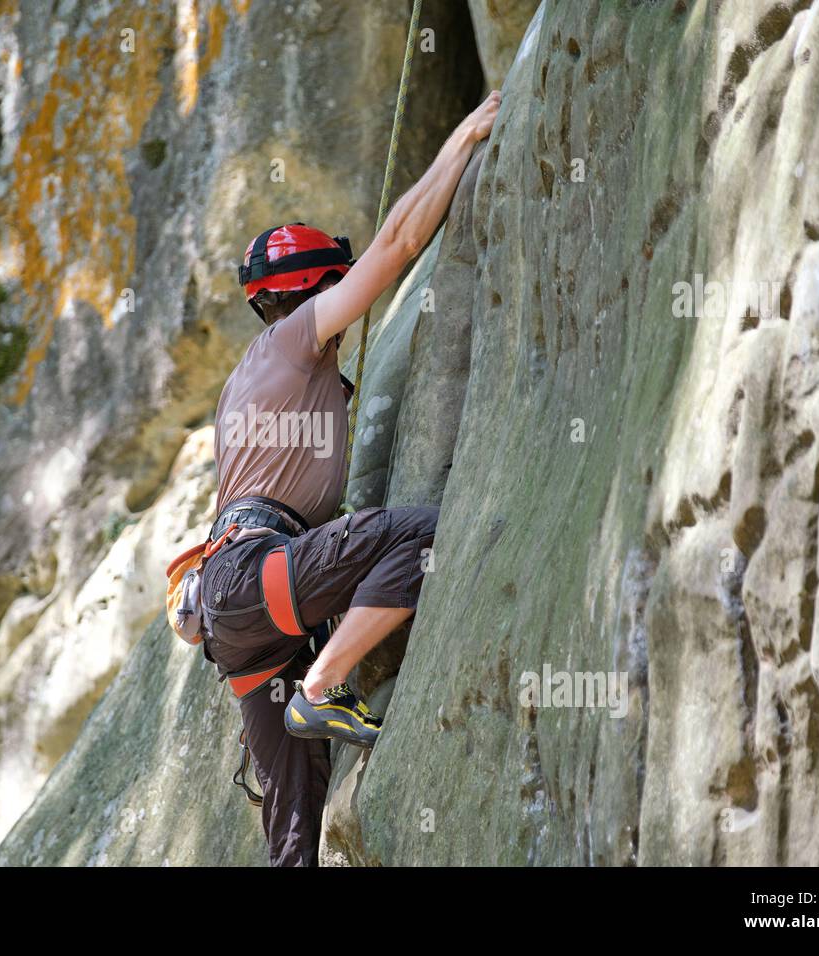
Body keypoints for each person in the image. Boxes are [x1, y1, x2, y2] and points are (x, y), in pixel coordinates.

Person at [200, 89, 503, 866]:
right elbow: (400, 241)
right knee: (422, 535)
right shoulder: (296, 343)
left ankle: (312, 688)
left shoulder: (254, 374)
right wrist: (461, 140)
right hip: (259, 573)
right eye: (334, 284)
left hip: (236, 612)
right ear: (315, 289)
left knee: (293, 829)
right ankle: (322, 685)